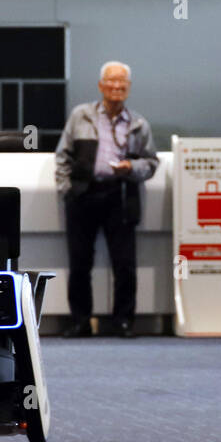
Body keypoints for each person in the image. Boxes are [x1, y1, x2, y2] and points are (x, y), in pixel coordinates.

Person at [54, 61, 158, 338]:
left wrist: (131, 168)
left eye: (122, 82)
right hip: (83, 195)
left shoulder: (138, 124)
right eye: (111, 82)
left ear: (129, 88)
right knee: (79, 263)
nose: (116, 87)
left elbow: (151, 163)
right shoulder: (81, 116)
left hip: (120, 196)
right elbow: (63, 156)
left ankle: (123, 321)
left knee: (124, 263)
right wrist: (67, 189)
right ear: (101, 86)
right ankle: (80, 321)